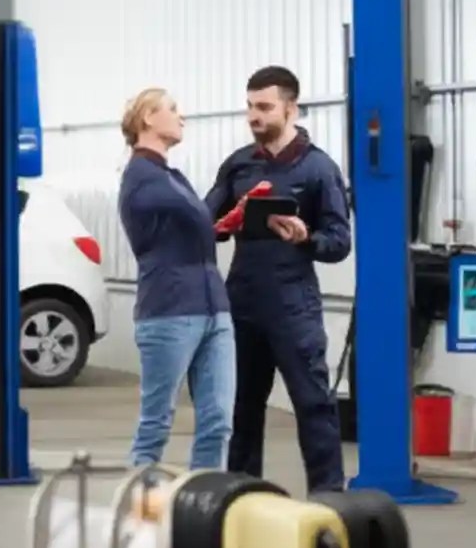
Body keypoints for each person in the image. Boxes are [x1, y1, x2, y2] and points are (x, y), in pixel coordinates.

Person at [203, 65, 351, 494]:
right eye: (250, 107)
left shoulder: (318, 168)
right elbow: (204, 221)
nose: (254, 116)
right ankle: (240, 496)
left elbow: (340, 242)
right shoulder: (238, 166)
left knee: (313, 403)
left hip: (293, 305)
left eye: (265, 107)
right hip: (242, 301)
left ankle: (328, 497)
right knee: (241, 407)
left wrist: (307, 238)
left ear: (291, 109)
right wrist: (221, 224)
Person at [117, 87, 236, 469]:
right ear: (148, 118)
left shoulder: (172, 177)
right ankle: (137, 495)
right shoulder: (141, 176)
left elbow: (191, 226)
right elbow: (169, 227)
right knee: (156, 423)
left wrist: (221, 221)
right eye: (172, 109)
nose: (181, 116)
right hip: (170, 310)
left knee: (218, 421)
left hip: (213, 307)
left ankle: (206, 497)